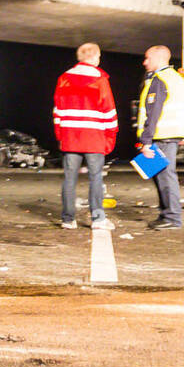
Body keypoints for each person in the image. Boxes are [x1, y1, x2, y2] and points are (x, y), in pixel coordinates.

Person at [53, 43, 118, 229]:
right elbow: (108, 110)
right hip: (94, 137)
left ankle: (67, 219)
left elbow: (57, 110)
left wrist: (60, 134)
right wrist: (110, 137)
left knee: (69, 178)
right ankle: (97, 218)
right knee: (95, 177)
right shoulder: (100, 79)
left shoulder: (64, 78)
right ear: (96, 56)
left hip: (71, 135)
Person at [137, 45, 184, 230]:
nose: (145, 62)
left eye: (147, 58)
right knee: (160, 175)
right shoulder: (176, 78)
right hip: (171, 134)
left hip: (162, 135)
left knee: (165, 176)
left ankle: (172, 217)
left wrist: (146, 141)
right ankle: (166, 214)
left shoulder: (159, 79)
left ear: (159, 59)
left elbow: (153, 113)